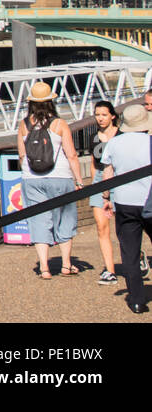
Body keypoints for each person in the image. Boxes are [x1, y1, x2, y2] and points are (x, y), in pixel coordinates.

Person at [15, 82, 84, 280]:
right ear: (51, 101)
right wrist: (78, 180)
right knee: (64, 217)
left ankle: (44, 268)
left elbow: (21, 155)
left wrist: (28, 172)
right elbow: (71, 155)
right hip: (60, 176)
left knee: (38, 220)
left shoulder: (23, 124)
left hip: (32, 179)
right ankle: (66, 264)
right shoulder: (59, 124)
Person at [101, 102, 152, 314]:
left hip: (124, 201)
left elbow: (108, 172)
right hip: (149, 200)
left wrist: (106, 197)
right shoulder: (150, 141)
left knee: (129, 253)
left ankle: (137, 300)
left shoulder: (114, 143)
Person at [89, 100, 121, 285]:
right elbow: (94, 164)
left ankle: (135, 254)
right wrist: (95, 186)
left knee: (124, 225)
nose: (100, 118)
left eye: (103, 115)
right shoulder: (94, 137)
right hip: (100, 179)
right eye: (97, 114)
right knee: (102, 226)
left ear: (112, 116)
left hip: (119, 176)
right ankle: (110, 270)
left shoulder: (121, 134)